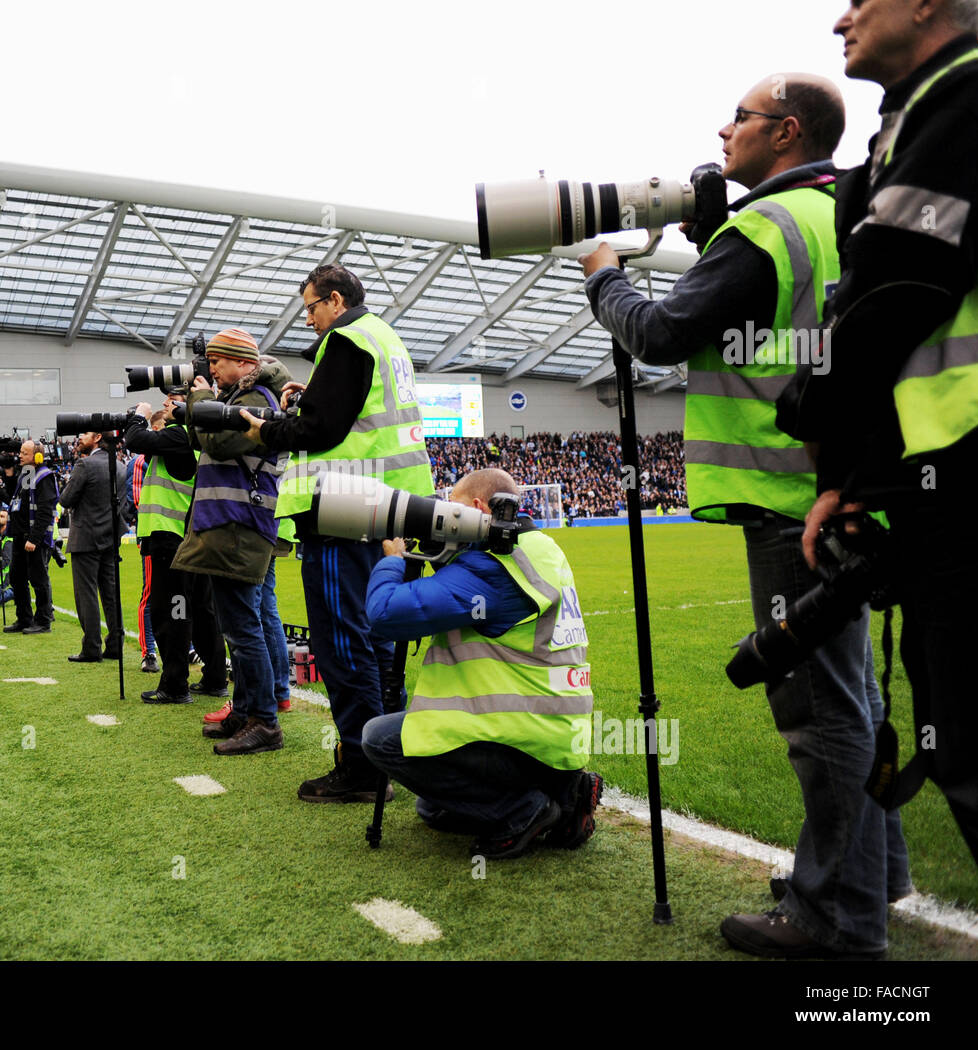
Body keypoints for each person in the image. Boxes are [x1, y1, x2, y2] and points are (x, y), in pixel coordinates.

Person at [581, 72, 909, 958]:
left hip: (787, 501)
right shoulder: (844, 211)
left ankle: (836, 916)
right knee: (854, 701)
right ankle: (870, 881)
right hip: (845, 490)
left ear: (787, 132)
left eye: (741, 118)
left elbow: (656, 334)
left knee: (817, 713)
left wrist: (603, 278)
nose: (723, 132)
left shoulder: (766, 227)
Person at [779, 1, 978, 872]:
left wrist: (809, 417)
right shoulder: (909, 123)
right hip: (935, 482)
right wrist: (853, 477)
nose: (841, 19)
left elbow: (887, 299)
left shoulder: (964, 99)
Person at [239, 263, 434, 801]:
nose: (307, 320)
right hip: (385, 507)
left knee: (342, 638)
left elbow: (322, 430)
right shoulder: (383, 335)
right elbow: (347, 414)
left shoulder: (345, 339)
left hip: (345, 508)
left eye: (310, 307)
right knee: (374, 634)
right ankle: (382, 755)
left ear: (335, 300)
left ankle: (363, 770)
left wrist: (265, 429)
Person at [360, 469, 602, 858]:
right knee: (433, 808)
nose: (442, 517)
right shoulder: (538, 548)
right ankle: (566, 794)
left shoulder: (495, 568)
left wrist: (394, 561)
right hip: (552, 735)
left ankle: (525, 811)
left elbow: (386, 614)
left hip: (522, 739)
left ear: (476, 509)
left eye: (450, 509)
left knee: (379, 738)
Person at [175, 328, 293, 754]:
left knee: (244, 629)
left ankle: (264, 721)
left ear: (244, 363)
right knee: (237, 626)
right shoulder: (237, 399)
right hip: (230, 524)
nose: (213, 368)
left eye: (219, 360)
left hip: (239, 524)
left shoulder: (256, 399)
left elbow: (221, 443)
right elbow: (200, 440)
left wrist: (200, 399)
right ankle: (246, 713)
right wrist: (191, 406)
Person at [123, 393, 227, 704]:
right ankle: (214, 678)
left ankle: (174, 684)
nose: (166, 405)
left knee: (172, 612)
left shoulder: (179, 435)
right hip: (193, 537)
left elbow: (135, 440)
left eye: (175, 400)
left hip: (169, 539)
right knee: (202, 611)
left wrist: (138, 416)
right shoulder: (199, 440)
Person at [60, 430, 126, 663]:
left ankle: (91, 647)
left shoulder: (85, 465)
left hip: (86, 538)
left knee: (86, 593)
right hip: (110, 537)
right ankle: (116, 644)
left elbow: (65, 500)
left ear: (97, 438)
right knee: (110, 594)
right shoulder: (120, 466)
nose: (79, 437)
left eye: (85, 433)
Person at [2, 440, 60, 635]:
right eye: (20, 452)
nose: (20, 455)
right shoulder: (26, 474)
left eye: (24, 453)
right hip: (19, 536)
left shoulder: (45, 476)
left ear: (37, 457)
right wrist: (9, 477)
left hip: (34, 539)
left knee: (38, 579)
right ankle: (24, 618)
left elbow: (45, 511)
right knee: (17, 578)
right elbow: (17, 499)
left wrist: (34, 539)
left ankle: (43, 620)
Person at [127, 446, 159, 673]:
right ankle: (148, 651)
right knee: (150, 593)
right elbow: (137, 500)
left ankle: (186, 644)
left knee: (180, 594)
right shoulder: (140, 460)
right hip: (153, 535)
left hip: (177, 535)